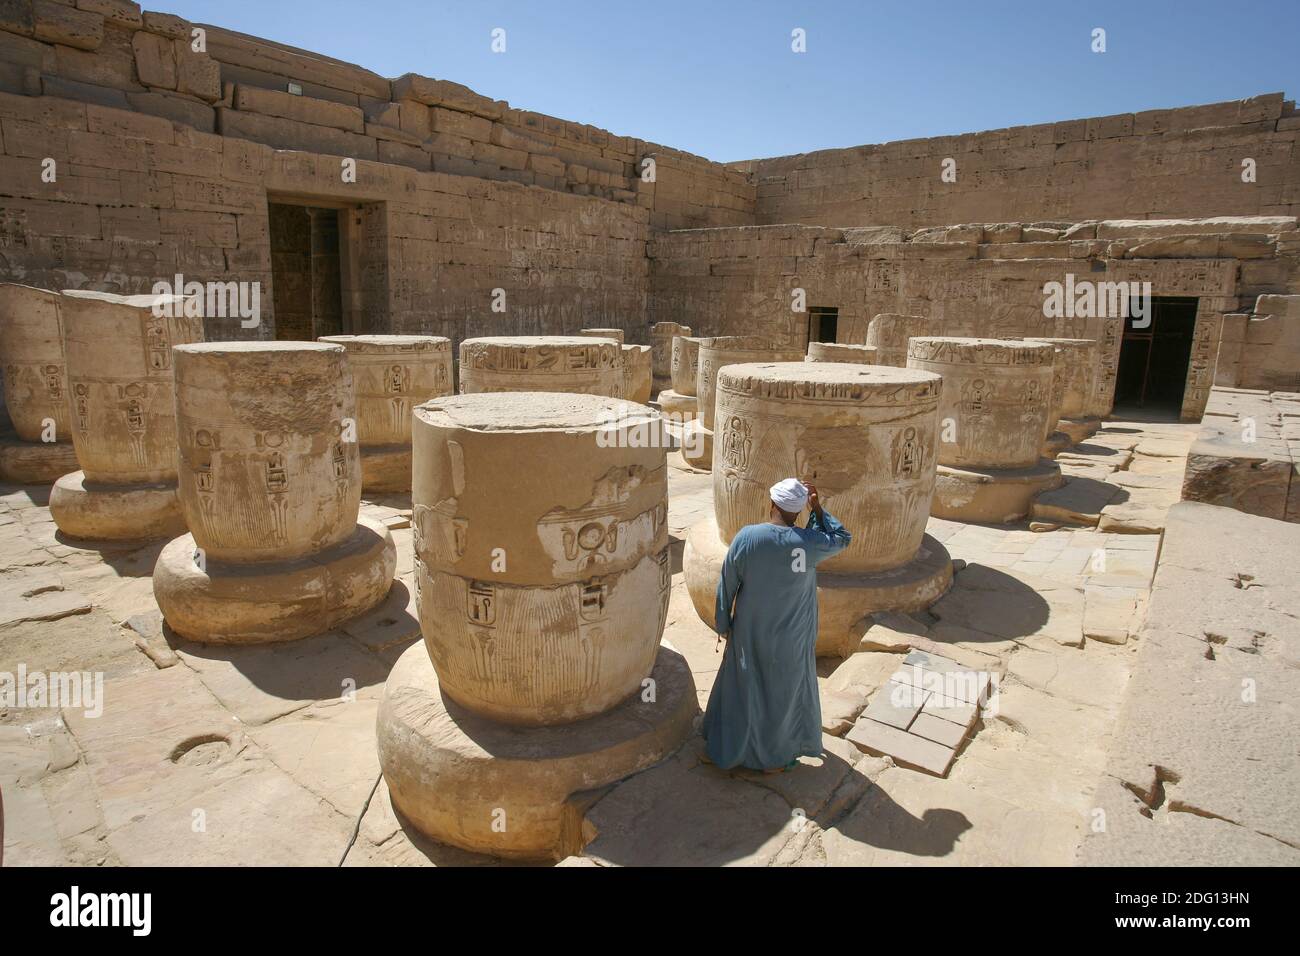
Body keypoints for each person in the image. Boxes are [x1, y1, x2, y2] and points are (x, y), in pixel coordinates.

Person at [701, 477, 851, 773]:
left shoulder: (748, 537)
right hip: (792, 634)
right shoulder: (808, 544)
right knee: (781, 692)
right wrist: (818, 509)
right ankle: (774, 757)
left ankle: (732, 749)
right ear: (799, 511)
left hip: (750, 628)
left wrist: (723, 623)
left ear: (771, 504)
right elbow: (842, 538)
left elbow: (727, 583)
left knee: (744, 687)